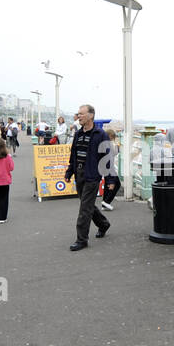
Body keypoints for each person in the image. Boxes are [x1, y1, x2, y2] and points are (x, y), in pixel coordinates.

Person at [63, 104, 112, 251]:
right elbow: (74, 155)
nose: (79, 116)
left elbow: (106, 158)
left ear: (91, 115)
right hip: (79, 174)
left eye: (81, 114)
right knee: (88, 204)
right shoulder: (78, 134)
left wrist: (109, 180)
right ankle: (103, 224)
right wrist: (69, 172)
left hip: (92, 175)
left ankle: (81, 239)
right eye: (78, 114)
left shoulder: (100, 134)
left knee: (84, 208)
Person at [100, 126, 121, 211]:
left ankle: (105, 204)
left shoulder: (103, 143)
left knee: (107, 185)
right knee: (116, 184)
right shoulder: (107, 144)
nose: (113, 139)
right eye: (112, 137)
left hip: (105, 167)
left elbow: (112, 154)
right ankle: (106, 201)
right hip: (109, 168)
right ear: (110, 136)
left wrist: (117, 147)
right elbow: (112, 155)